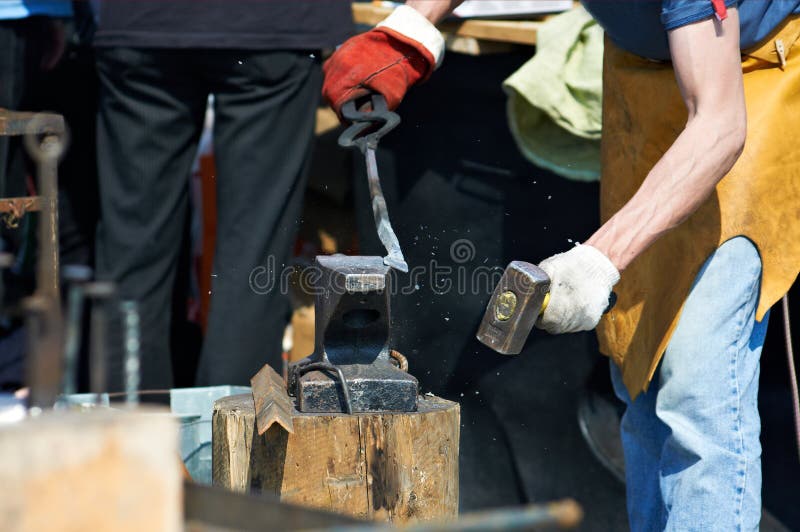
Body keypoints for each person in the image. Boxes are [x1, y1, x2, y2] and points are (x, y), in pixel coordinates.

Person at [322, 1, 800, 529]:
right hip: (642, 83)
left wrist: (600, 259)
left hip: (740, 89)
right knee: (640, 380)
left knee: (696, 387)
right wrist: (409, 29)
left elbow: (719, 125)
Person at [92, 1, 353, 389]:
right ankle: (235, 440)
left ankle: (125, 440)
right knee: (252, 256)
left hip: (141, 22)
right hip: (274, 24)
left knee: (132, 248)